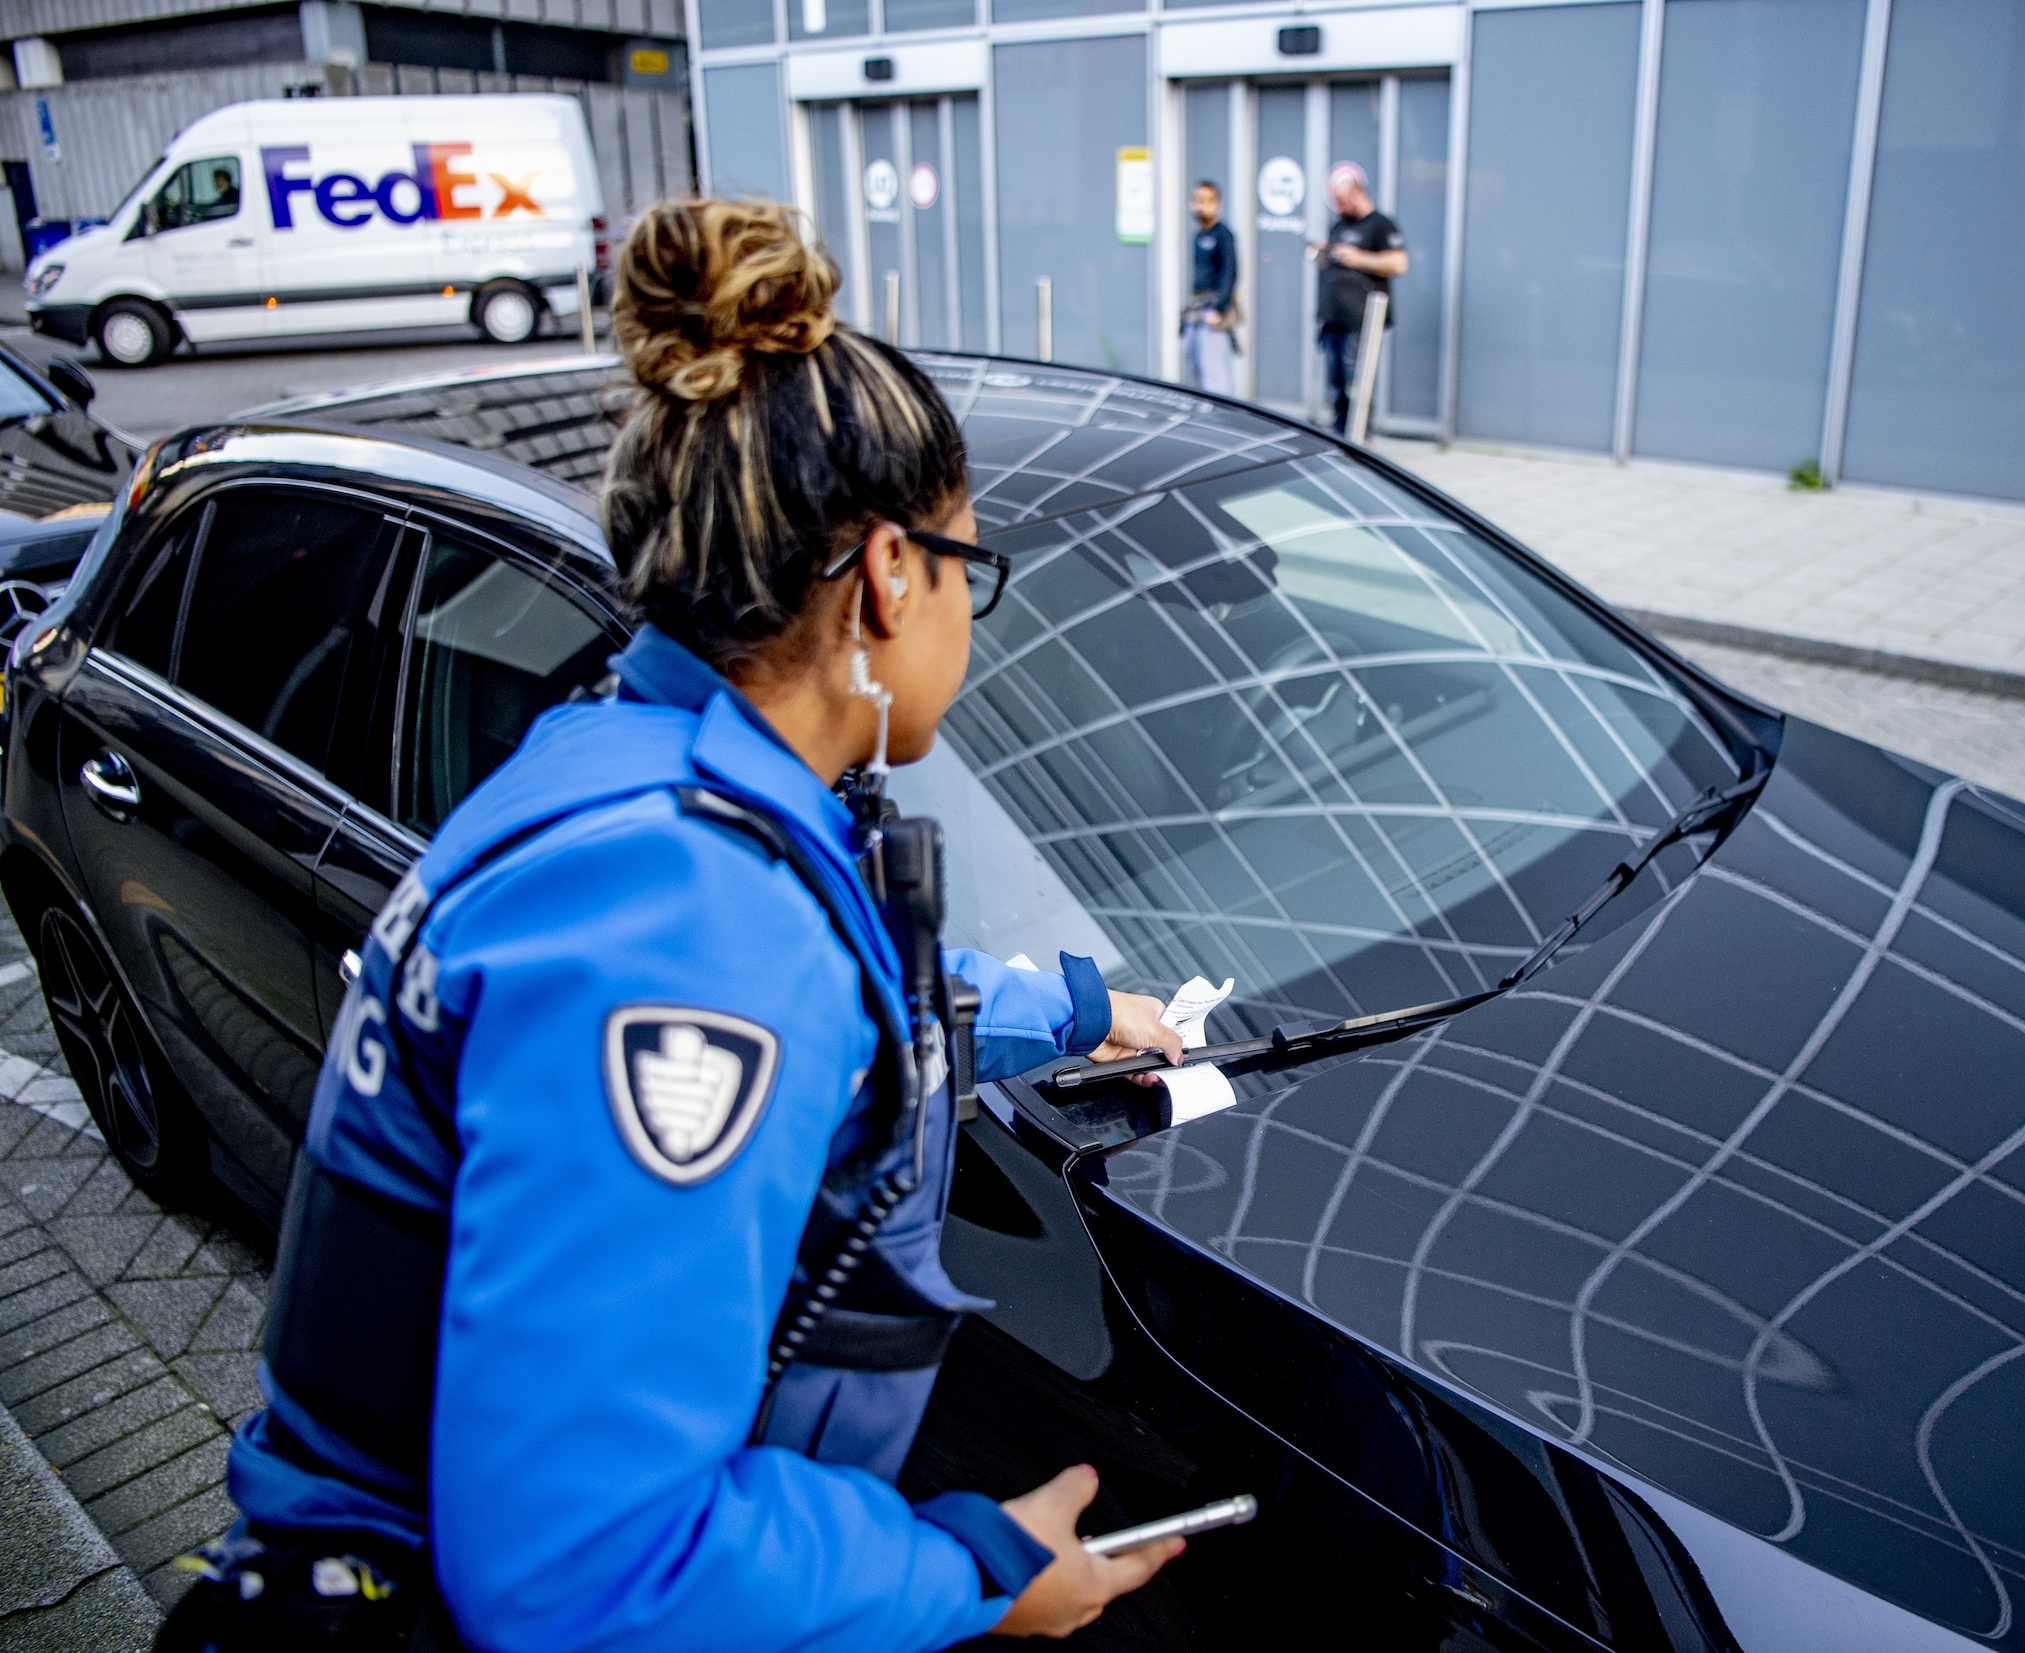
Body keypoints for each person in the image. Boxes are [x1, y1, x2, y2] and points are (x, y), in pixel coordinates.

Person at [160, 199, 1191, 1653]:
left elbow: (843, 981)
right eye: (972, 570)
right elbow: (590, 1566)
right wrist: (963, 1573)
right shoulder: (682, 926)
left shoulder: (641, 779)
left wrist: (1079, 1010)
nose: (970, 610)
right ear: (889, 577)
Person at [1306, 161, 1405, 437]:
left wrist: (1359, 258)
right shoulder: (1338, 225)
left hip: (1360, 322)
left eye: (1342, 201)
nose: (1339, 208)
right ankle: (1340, 437)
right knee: (1335, 386)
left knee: (1356, 385)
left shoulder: (1381, 225)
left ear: (1358, 192)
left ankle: (1360, 439)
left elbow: (1399, 263)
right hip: (1333, 319)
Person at [1181, 180, 1238, 396]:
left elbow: (1231, 273)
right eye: (1197, 200)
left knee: (1213, 374)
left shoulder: (1222, 234)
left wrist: (1219, 309)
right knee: (1194, 368)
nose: (1200, 206)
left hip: (1212, 310)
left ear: (1217, 205)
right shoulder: (1198, 235)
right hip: (1196, 310)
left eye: (1206, 201)